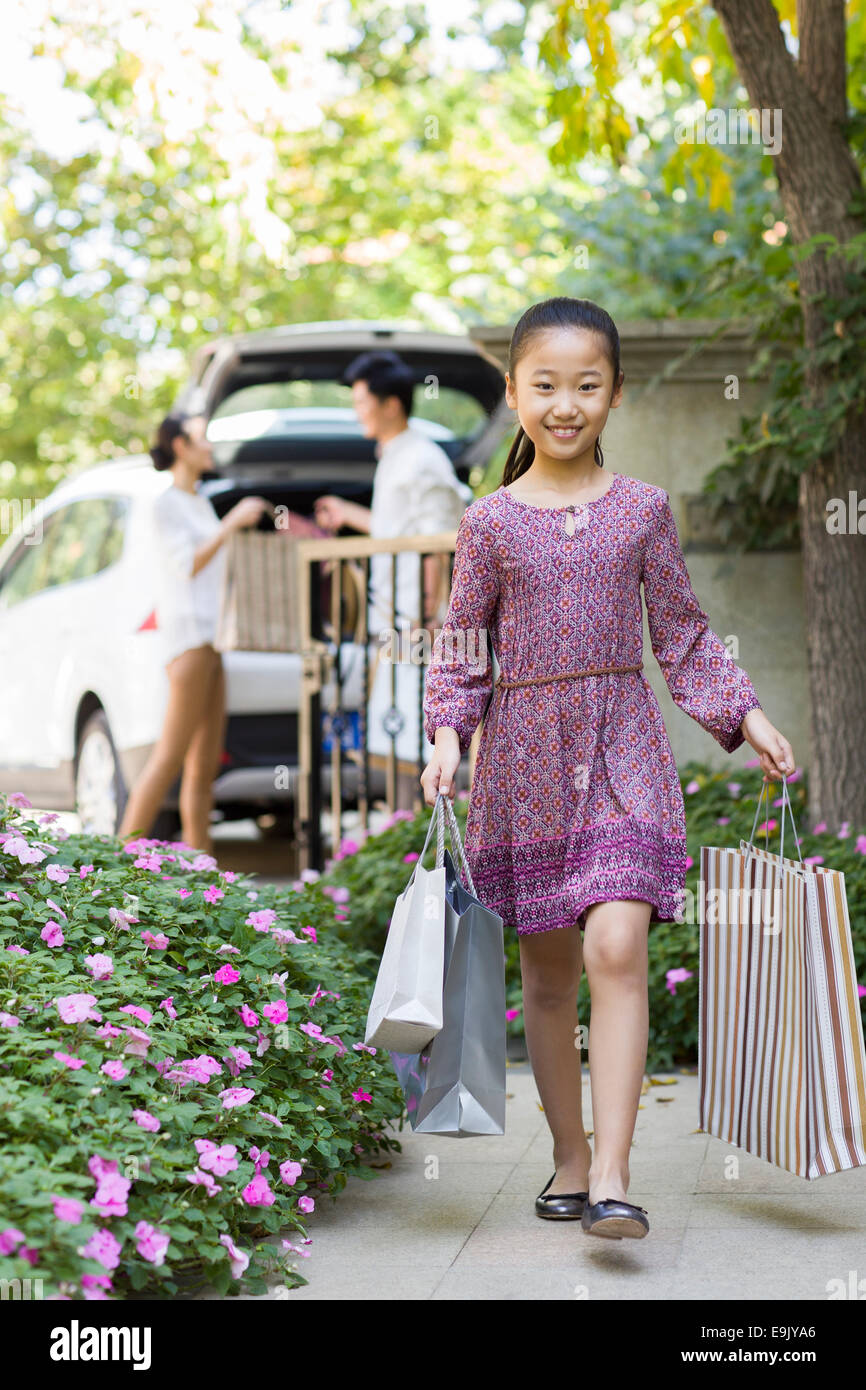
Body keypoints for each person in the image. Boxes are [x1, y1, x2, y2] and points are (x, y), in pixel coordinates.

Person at [420, 296, 794, 1241]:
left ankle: (618, 1174)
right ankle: (571, 1158)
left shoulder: (642, 512)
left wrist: (746, 715)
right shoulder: (491, 523)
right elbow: (461, 647)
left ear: (615, 394)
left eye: (586, 385)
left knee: (617, 946)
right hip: (525, 760)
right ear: (513, 394)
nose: (565, 403)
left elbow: (683, 634)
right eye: (545, 385)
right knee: (547, 978)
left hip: (623, 742)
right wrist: (446, 738)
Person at [117, 413, 268, 855]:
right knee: (169, 757)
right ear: (180, 446)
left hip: (212, 639)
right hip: (188, 642)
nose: (210, 448)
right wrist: (233, 521)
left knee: (203, 768)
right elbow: (188, 564)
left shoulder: (198, 501)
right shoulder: (165, 504)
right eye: (202, 439)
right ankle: (115, 861)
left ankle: (203, 874)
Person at [315, 351, 473, 765]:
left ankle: (419, 826)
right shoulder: (395, 455)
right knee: (397, 744)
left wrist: (428, 613)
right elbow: (397, 529)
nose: (357, 413)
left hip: (417, 622)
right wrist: (347, 514)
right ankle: (404, 826)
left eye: (362, 404)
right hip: (396, 619)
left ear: (392, 404)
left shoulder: (422, 458)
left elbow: (440, 540)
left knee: (420, 747)